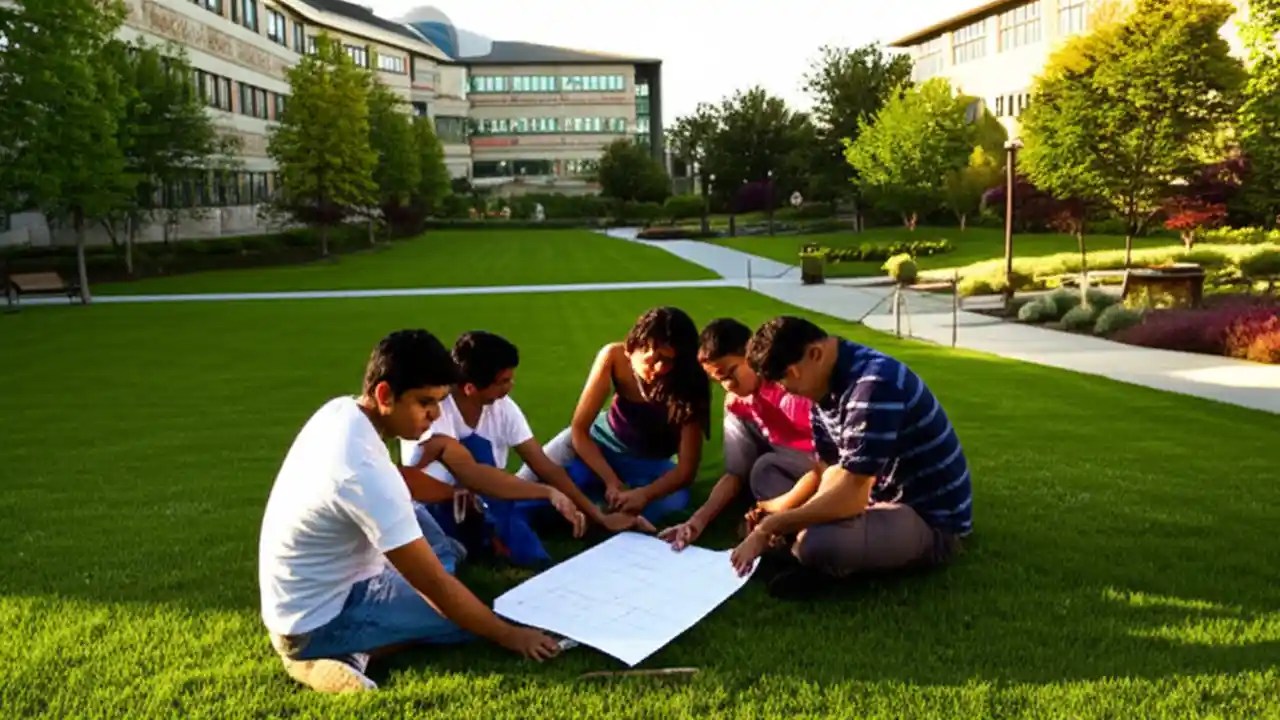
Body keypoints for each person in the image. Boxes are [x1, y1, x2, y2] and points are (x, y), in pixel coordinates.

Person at [258, 329, 568, 694]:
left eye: (439, 401)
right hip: (319, 620)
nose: (434, 414)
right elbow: (434, 586)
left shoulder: (342, 410)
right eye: (425, 402)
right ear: (385, 394)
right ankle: (329, 655)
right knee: (465, 619)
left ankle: (372, 632)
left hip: (323, 585)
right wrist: (509, 635)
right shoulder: (362, 471)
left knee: (438, 551)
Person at [728, 316, 973, 599]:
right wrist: (780, 509)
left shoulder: (874, 386)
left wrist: (772, 526)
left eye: (785, 378)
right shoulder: (823, 387)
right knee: (767, 471)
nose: (784, 389)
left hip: (926, 517)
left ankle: (812, 558)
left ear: (815, 354)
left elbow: (853, 494)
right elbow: (829, 470)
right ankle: (805, 549)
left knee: (819, 542)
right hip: (870, 496)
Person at [401, 331, 651, 568]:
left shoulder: (503, 408)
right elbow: (470, 477)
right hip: (446, 508)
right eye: (503, 381)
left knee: (566, 489)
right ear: (470, 388)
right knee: (521, 517)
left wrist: (590, 512)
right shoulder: (435, 415)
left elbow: (542, 465)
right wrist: (547, 492)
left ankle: (595, 518)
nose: (510, 386)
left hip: (492, 497)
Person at [517, 306, 711, 525]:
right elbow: (580, 430)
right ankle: (585, 508)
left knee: (667, 505)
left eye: (669, 361)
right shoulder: (614, 357)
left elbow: (686, 470)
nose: (660, 368)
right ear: (632, 348)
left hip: (651, 462)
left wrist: (644, 494)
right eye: (652, 359)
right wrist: (611, 481)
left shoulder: (690, 381)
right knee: (530, 486)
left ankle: (595, 512)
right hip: (596, 444)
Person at [659, 318, 815, 551]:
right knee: (762, 472)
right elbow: (735, 474)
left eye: (732, 372)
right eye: (720, 379)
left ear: (751, 354)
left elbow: (833, 459)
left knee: (766, 467)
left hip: (830, 471)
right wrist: (697, 521)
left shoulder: (791, 388)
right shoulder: (738, 404)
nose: (729, 385)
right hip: (789, 474)